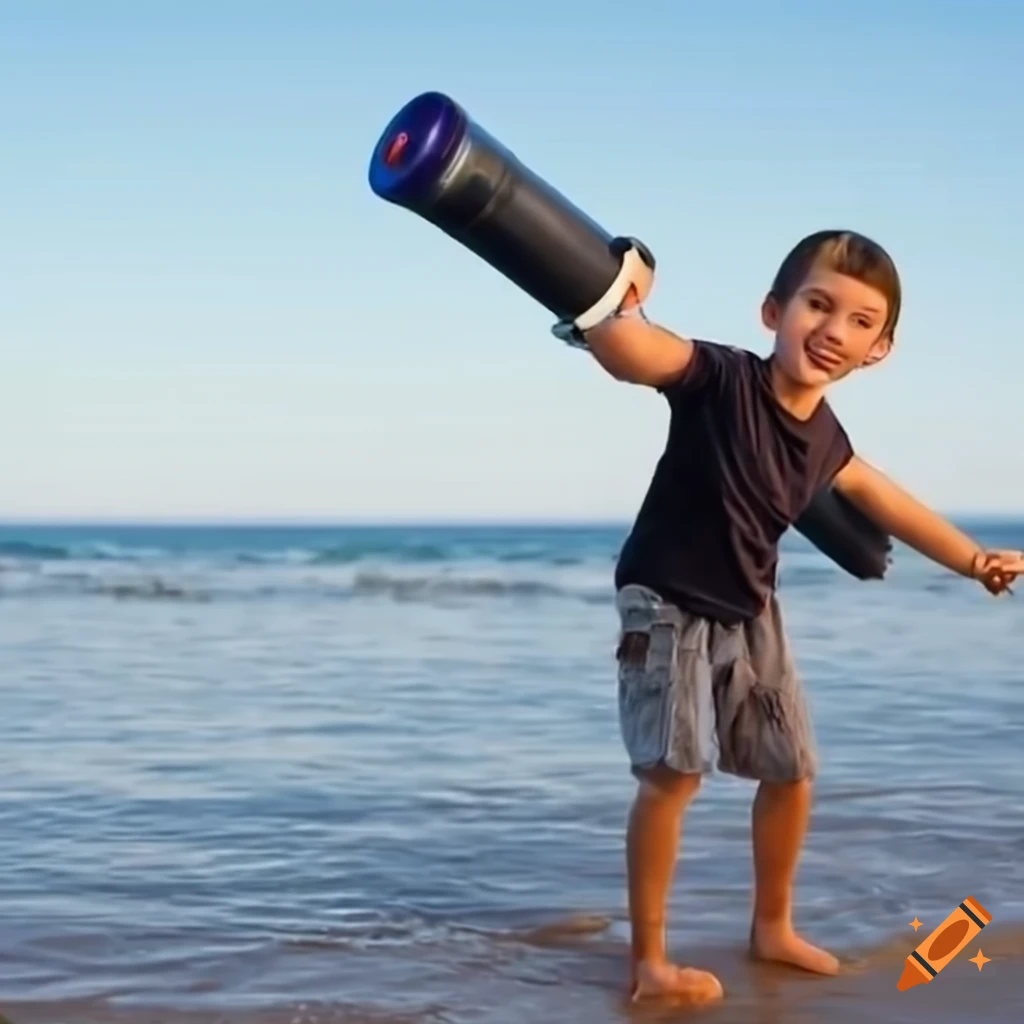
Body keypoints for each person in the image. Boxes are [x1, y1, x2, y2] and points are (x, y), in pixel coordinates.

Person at [578, 229, 1023, 1006]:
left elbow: (889, 501)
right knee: (672, 775)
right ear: (773, 311)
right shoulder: (720, 377)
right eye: (817, 305)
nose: (833, 330)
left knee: (791, 770)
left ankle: (772, 928)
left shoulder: (827, 441)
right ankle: (650, 962)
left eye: (859, 321)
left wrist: (972, 559)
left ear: (878, 350)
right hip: (666, 599)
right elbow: (630, 353)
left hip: (751, 607)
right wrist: (627, 289)